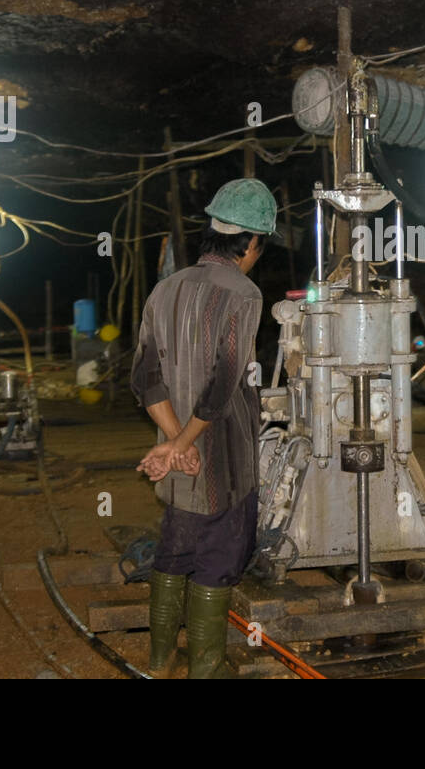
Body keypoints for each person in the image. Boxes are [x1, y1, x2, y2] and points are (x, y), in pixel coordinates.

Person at [130, 178, 276, 678]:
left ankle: (159, 661)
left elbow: (144, 376)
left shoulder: (164, 288)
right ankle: (205, 670)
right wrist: (188, 442)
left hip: (179, 458)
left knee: (175, 549)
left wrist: (172, 444)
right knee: (220, 558)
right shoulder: (245, 293)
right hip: (225, 456)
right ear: (252, 243)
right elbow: (223, 383)